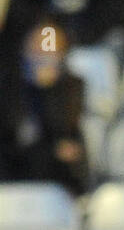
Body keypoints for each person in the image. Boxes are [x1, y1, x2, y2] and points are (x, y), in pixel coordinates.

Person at [1, 16, 89, 192]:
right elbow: (13, 135)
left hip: (59, 177)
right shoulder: (9, 88)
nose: (44, 57)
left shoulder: (72, 86)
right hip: (14, 171)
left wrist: (48, 90)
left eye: (50, 51)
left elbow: (67, 134)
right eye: (37, 50)